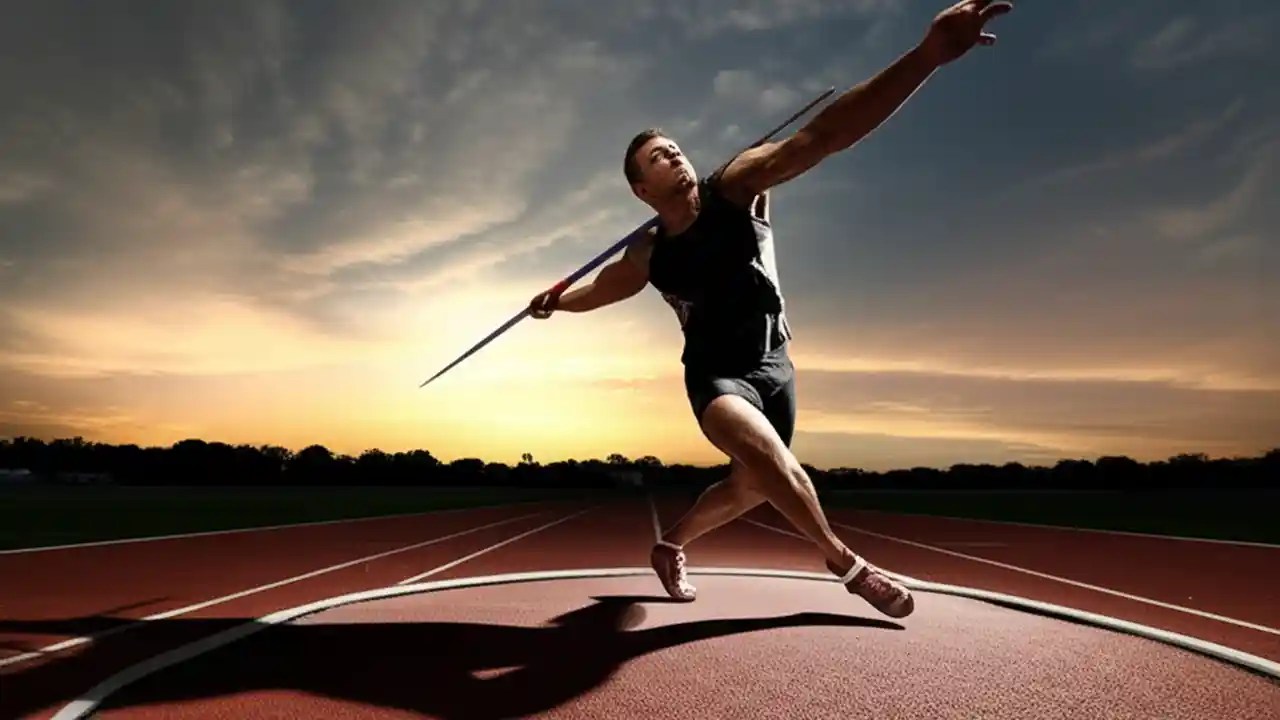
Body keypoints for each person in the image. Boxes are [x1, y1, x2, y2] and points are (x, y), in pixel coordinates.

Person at [528, 0, 1013, 618]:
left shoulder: (736, 184)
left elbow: (825, 135)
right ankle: (847, 563)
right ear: (640, 190)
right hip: (716, 374)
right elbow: (606, 286)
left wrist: (927, 57)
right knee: (769, 460)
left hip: (774, 364)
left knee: (751, 485)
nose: (674, 155)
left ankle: (671, 543)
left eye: (675, 148)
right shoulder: (649, 250)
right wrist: (557, 303)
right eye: (657, 157)